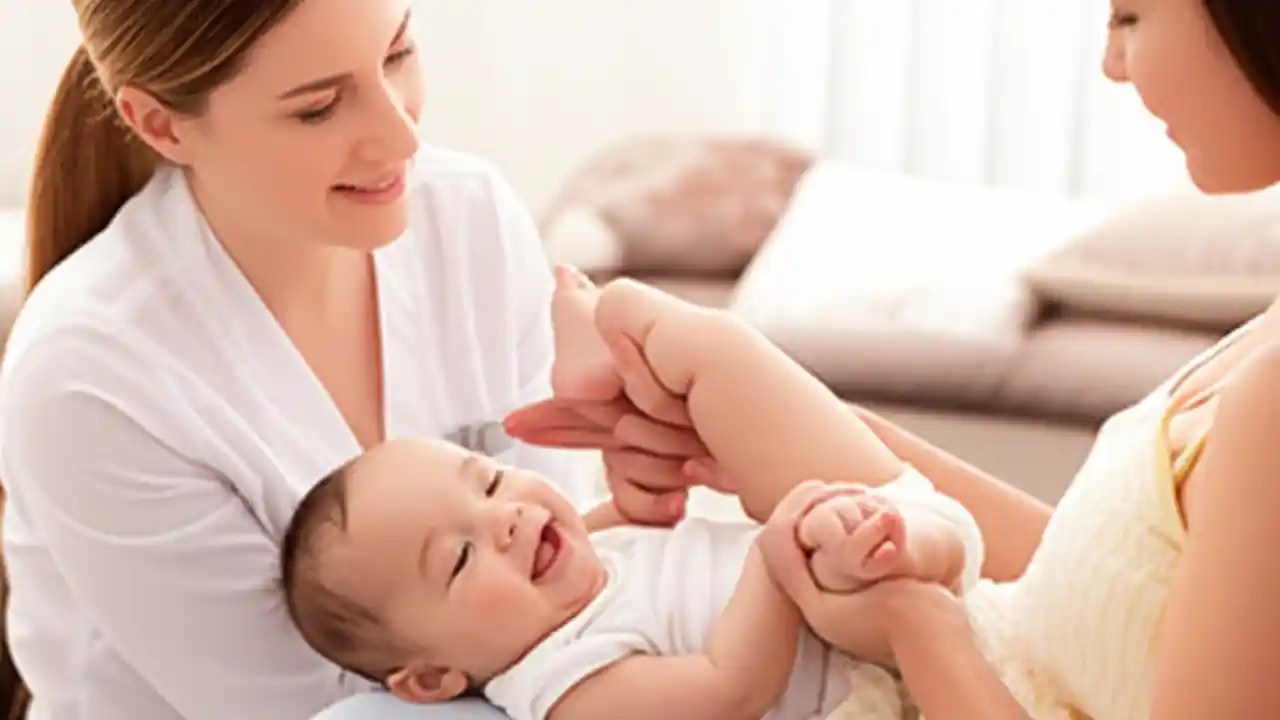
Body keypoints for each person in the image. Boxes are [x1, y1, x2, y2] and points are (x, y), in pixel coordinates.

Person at [507, 1, 1280, 717]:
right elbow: (1103, 591)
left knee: (720, 355)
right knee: (735, 369)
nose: (1112, 64)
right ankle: (626, 325)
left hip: (963, 665)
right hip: (1004, 632)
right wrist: (789, 434)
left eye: (1131, 16)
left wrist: (916, 625)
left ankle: (615, 314)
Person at [0, 2, 699, 718]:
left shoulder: (470, 219)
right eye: (319, 108)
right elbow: (306, 712)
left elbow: (560, 611)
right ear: (162, 124)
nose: (403, 135)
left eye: (397, 53)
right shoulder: (88, 374)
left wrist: (641, 506)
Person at [280, 269, 984, 720]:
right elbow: (731, 687)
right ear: (434, 679)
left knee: (722, 366)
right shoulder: (564, 682)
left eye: (490, 482)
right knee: (844, 555)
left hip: (869, 573)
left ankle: (624, 331)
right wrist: (775, 560)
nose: (507, 519)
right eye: (460, 559)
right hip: (868, 664)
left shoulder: (575, 556)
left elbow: (625, 526)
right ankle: (894, 544)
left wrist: (643, 501)